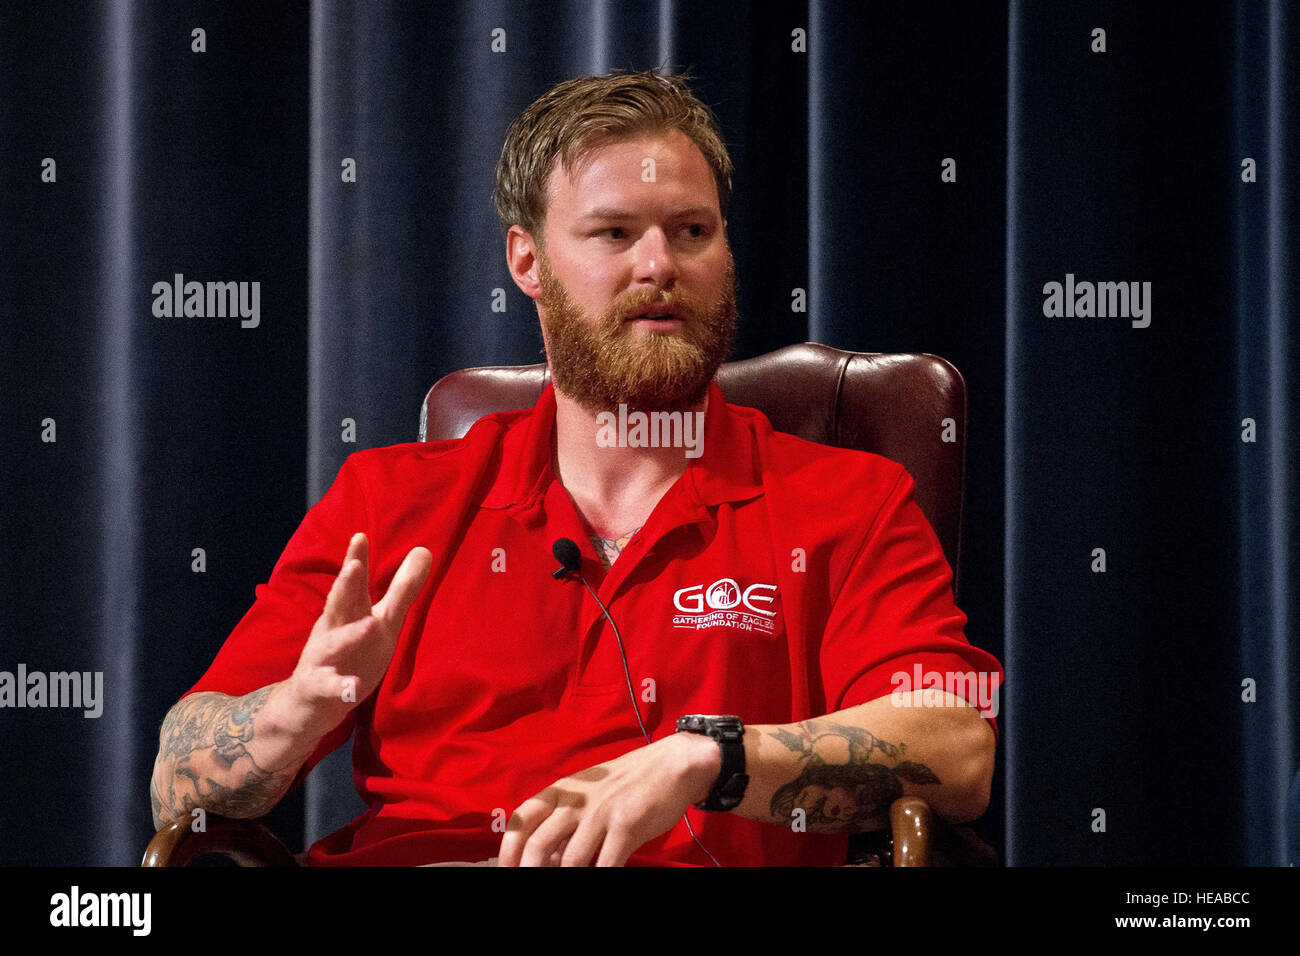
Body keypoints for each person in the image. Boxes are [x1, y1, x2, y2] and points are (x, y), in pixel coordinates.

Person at [149, 69, 1002, 867]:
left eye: (692, 231)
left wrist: (712, 758)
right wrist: (295, 713)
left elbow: (958, 744)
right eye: (614, 233)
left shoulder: (844, 500)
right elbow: (176, 778)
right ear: (527, 261)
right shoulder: (393, 500)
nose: (659, 265)